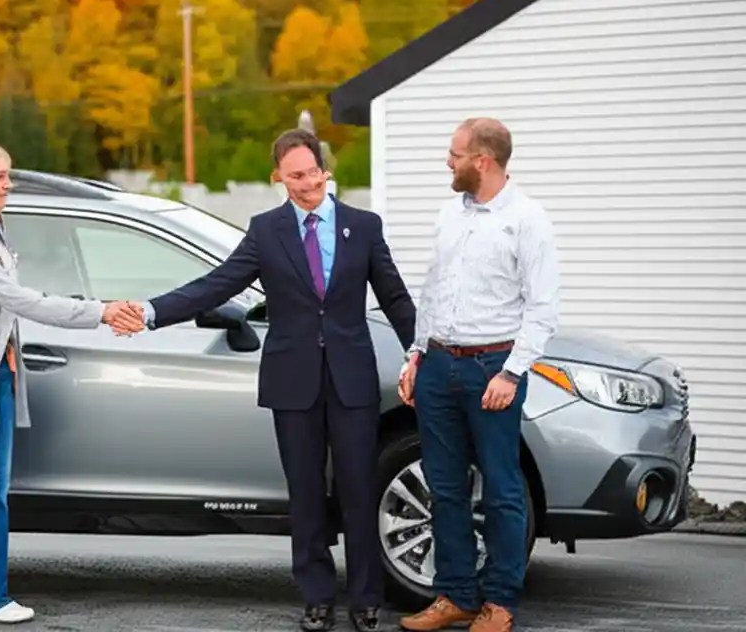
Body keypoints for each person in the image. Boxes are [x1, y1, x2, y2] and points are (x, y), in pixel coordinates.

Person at [127, 129, 416, 632]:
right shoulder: (266, 231)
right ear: (278, 177)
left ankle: (366, 598)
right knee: (305, 492)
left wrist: (419, 352)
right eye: (295, 176)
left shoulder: (363, 226)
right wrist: (152, 312)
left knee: (358, 489)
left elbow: (394, 297)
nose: (308, 184)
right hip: (292, 381)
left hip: (351, 379)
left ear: (325, 169)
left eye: (313, 173)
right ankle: (317, 598)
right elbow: (215, 285)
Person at [0, 141, 143, 632]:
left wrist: (8, 353)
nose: (8, 184)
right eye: (1, 176)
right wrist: (99, 311)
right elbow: (17, 297)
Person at [397, 118, 559, 632]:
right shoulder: (450, 214)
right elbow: (433, 290)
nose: (448, 162)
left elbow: (542, 310)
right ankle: (457, 596)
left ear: (482, 161)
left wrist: (511, 374)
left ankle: (499, 604)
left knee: (501, 489)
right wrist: (416, 355)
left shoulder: (527, 220)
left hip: (493, 369)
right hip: (438, 365)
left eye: (455, 154)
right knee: (443, 487)